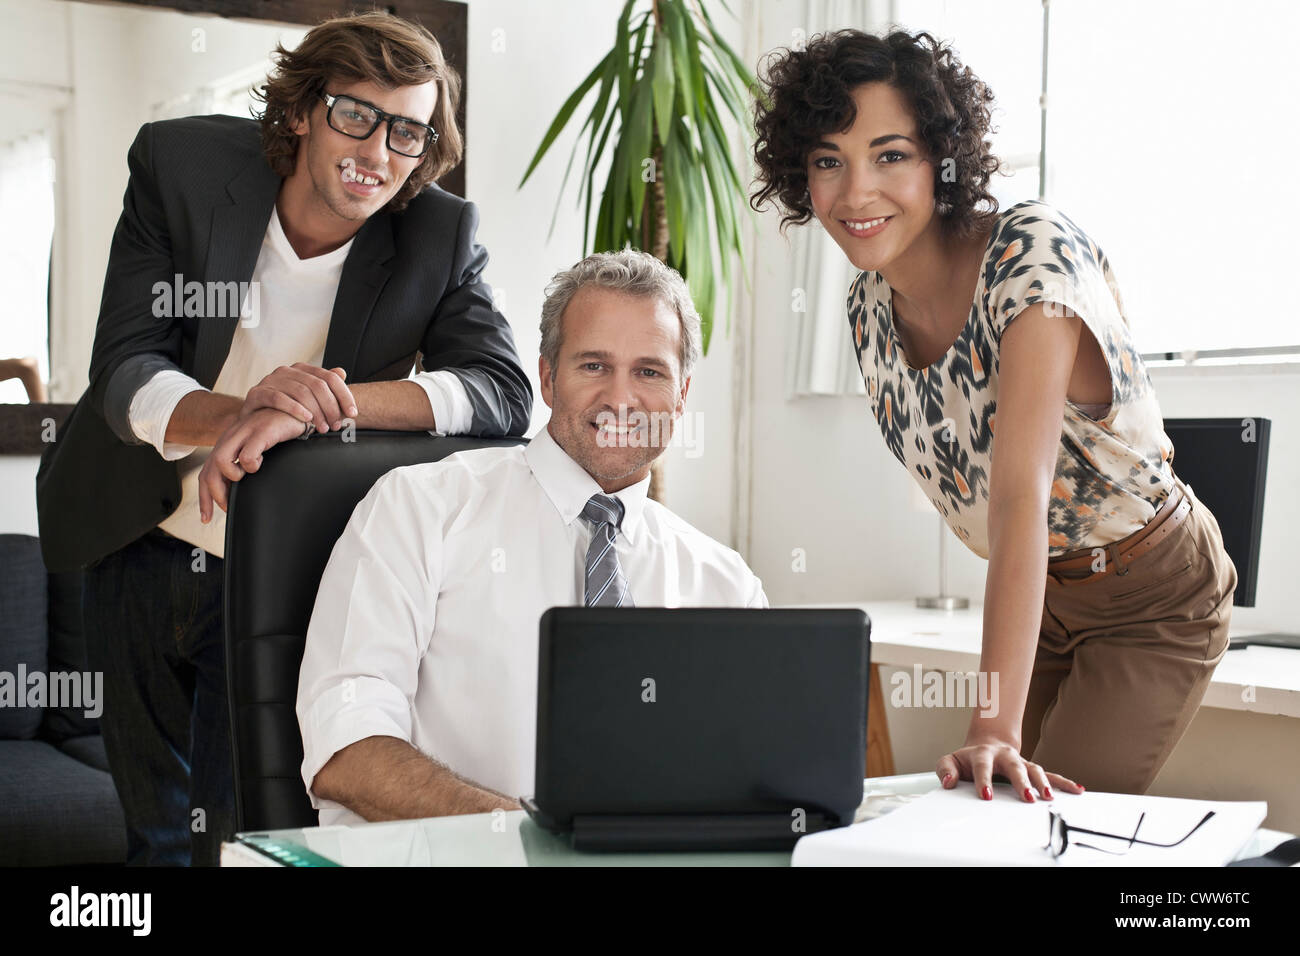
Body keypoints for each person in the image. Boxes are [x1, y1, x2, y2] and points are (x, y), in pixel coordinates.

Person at [36, 11, 531, 865]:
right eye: (355, 115)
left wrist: (316, 406)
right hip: (136, 534)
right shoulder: (181, 167)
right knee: (152, 825)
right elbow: (124, 367)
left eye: (407, 131)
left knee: (245, 827)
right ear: (303, 109)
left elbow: (500, 393)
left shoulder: (439, 235)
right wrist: (244, 409)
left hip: (277, 564)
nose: (377, 151)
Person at [750, 29, 1237, 800]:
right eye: (827, 161)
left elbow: (1019, 497)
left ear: (941, 157)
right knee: (981, 818)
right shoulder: (867, 306)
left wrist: (993, 726)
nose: (855, 193)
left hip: (1150, 596)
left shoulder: (1029, 254)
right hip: (1041, 600)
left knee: (1037, 825)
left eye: (891, 155)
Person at [297, 250, 768, 824]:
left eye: (649, 371)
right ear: (547, 378)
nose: (621, 399)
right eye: (594, 366)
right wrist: (528, 840)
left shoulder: (726, 587)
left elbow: (748, 777)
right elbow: (345, 749)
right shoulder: (420, 509)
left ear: (682, 395)